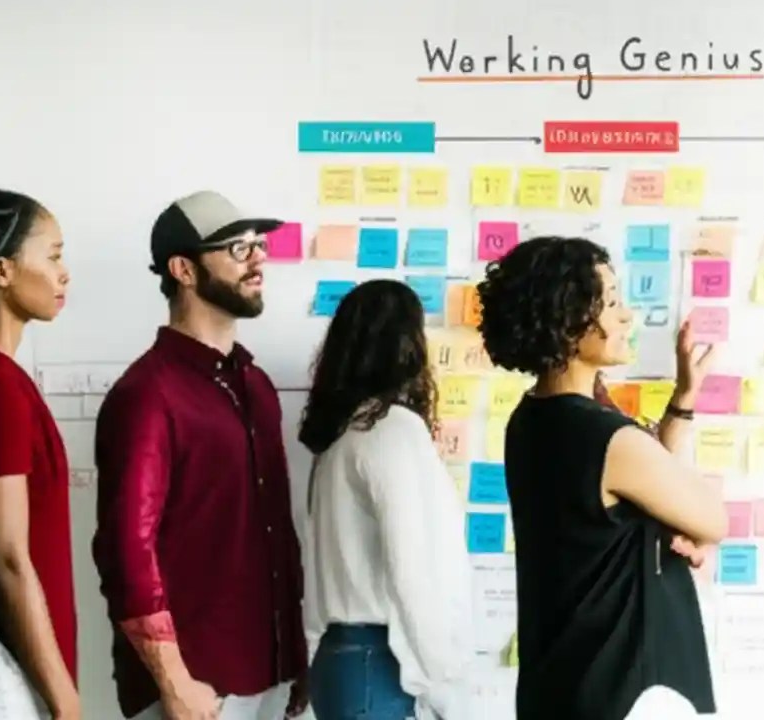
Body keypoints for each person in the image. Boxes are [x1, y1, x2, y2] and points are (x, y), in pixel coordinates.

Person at [475, 236, 726, 720]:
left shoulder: (530, 421)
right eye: (610, 301)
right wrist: (692, 527)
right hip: (625, 689)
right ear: (567, 320)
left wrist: (683, 401)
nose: (627, 316)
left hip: (564, 683)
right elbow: (712, 519)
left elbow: (656, 492)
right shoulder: (607, 439)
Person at [92, 190, 308, 720]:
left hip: (271, 672)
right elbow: (126, 551)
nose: (259, 259)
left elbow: (274, 533)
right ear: (184, 269)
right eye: (237, 249)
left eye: (258, 245)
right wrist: (174, 680)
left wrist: (297, 657)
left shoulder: (255, 384)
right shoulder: (146, 394)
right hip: (193, 690)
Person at [299, 279, 474, 720]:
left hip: (341, 659)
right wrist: (445, 684)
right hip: (380, 664)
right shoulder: (393, 429)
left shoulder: (340, 437)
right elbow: (410, 569)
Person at [0, 188, 78, 720]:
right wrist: (64, 699)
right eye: (54, 254)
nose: (64, 273)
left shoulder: (3, 381)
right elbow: (6, 559)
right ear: (3, 271)